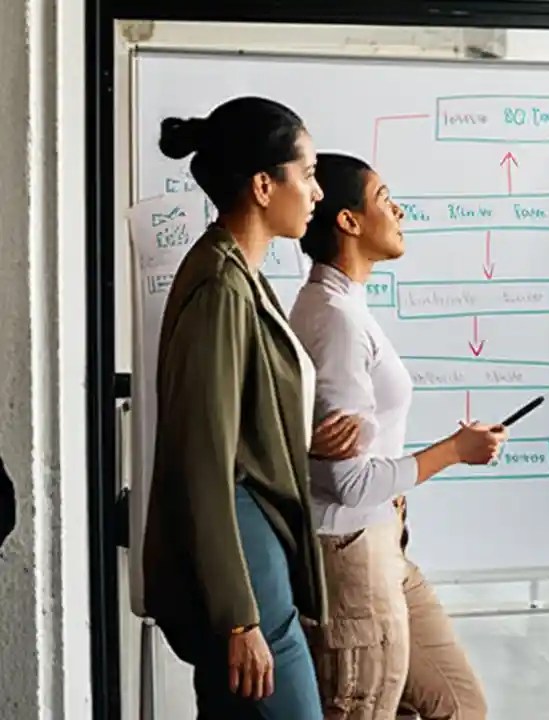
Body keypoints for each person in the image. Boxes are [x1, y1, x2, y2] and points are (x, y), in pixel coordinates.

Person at [144, 96, 361, 718]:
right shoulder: (220, 283)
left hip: (251, 546)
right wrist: (239, 619)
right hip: (241, 557)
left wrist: (301, 440)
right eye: (309, 173)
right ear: (265, 185)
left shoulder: (240, 273)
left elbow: (238, 418)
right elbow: (203, 457)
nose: (318, 193)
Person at [290, 153, 508, 720]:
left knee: (459, 705)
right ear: (350, 221)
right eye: (385, 198)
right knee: (361, 707)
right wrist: (455, 452)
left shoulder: (343, 306)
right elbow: (347, 482)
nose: (400, 209)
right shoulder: (334, 318)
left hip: (385, 541)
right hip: (350, 551)